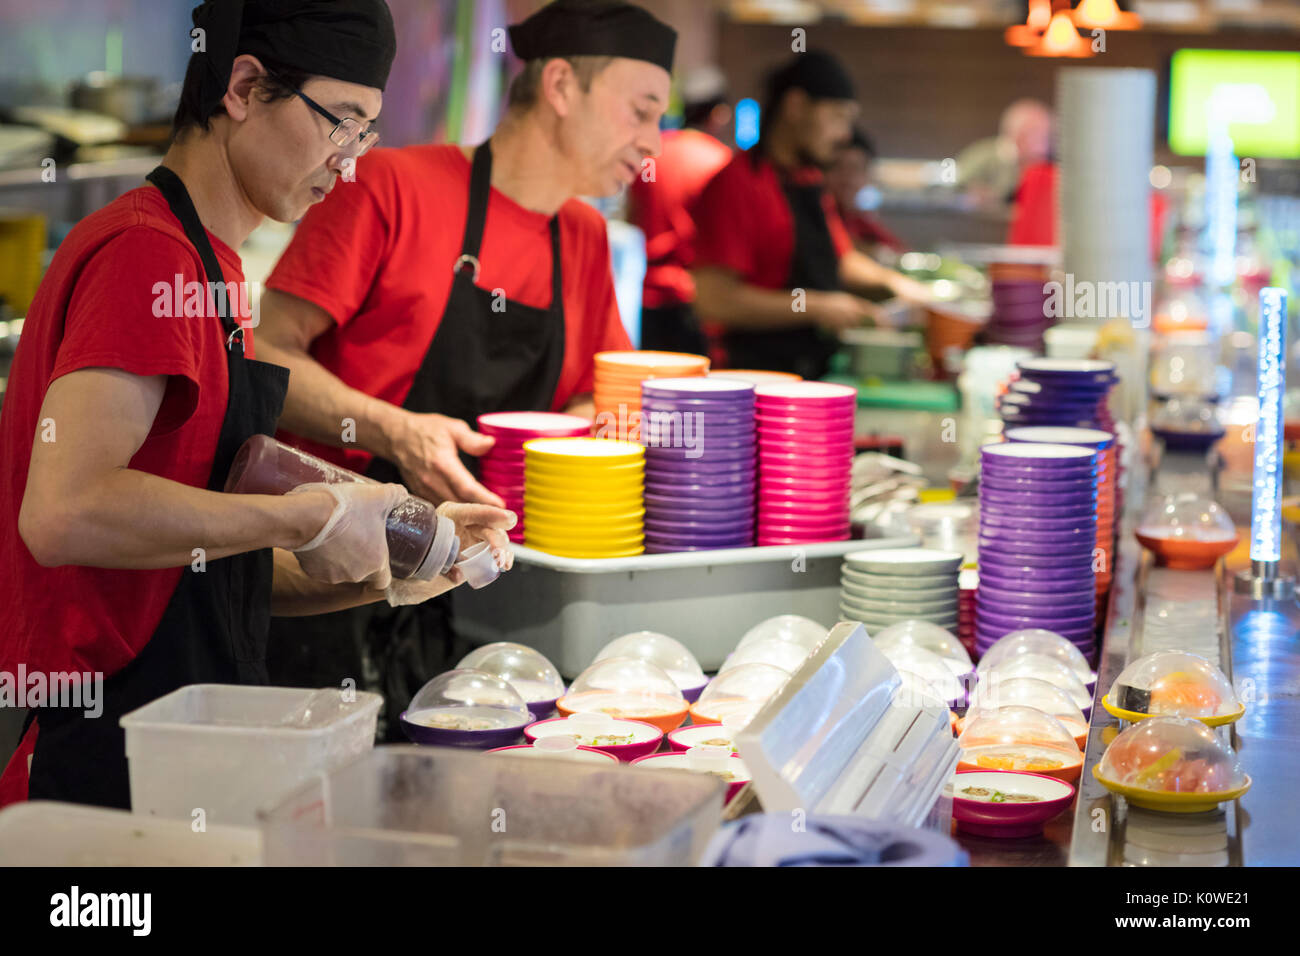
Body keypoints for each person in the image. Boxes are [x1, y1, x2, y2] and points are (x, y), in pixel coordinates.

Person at [0, 0, 514, 810]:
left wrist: (393, 563)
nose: (349, 164)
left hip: (188, 730)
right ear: (244, 86)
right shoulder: (147, 255)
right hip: (107, 753)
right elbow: (65, 513)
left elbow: (212, 567)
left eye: (367, 134)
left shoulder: (221, 273)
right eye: (338, 123)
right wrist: (302, 515)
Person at [253, 0, 676, 735]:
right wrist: (398, 433)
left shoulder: (581, 235)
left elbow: (595, 397)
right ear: (562, 86)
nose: (653, 142)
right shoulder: (391, 187)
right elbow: (262, 353)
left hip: (500, 598)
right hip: (341, 580)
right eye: (642, 112)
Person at [691, 50, 929, 380]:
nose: (845, 134)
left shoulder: (809, 179)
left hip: (813, 368)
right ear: (796, 106)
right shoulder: (737, 184)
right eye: (837, 117)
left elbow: (840, 259)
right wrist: (817, 306)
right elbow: (715, 300)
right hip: (753, 376)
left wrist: (896, 284)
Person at [625, 65, 733, 355]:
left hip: (649, 296)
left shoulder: (650, 156)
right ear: (718, 113)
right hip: (696, 299)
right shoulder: (721, 163)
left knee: (653, 392)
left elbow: (631, 217)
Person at [954, 98, 1053, 208]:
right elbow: (957, 191)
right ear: (1015, 134)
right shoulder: (983, 156)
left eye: (1046, 135)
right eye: (1036, 134)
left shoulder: (1049, 164)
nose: (1043, 144)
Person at [826, 126, 907, 259]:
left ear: (867, 175)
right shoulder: (819, 214)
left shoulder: (858, 221)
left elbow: (899, 251)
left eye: (855, 169)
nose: (847, 178)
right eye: (838, 167)